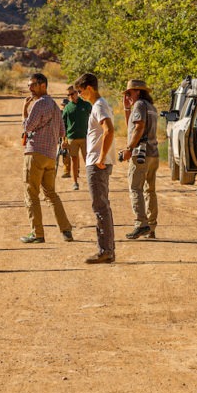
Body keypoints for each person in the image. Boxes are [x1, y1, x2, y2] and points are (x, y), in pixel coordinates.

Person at [19, 72, 73, 244]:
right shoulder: (55, 106)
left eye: (33, 84)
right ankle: (66, 230)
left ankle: (37, 233)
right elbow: (62, 132)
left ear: (43, 85)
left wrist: (24, 111)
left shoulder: (39, 104)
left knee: (31, 193)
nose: (30, 88)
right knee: (51, 194)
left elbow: (27, 127)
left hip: (35, 153)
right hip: (50, 155)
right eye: (29, 85)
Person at [76, 73, 117, 264]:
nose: (80, 94)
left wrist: (100, 158)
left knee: (100, 207)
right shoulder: (101, 105)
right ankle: (107, 250)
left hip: (97, 163)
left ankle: (105, 250)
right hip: (97, 161)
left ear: (89, 88)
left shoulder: (99, 105)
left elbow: (109, 129)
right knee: (102, 207)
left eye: (80, 90)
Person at [120, 79, 160, 240]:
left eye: (129, 93)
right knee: (149, 190)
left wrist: (129, 148)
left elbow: (138, 126)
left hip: (140, 153)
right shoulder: (150, 107)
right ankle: (151, 226)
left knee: (135, 188)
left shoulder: (140, 105)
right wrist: (126, 108)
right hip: (153, 153)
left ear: (138, 91)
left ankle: (140, 224)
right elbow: (131, 125)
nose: (128, 95)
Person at [60, 84, 90, 190]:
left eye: (72, 93)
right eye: (69, 95)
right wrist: (63, 139)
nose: (71, 96)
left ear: (77, 93)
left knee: (88, 160)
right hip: (72, 138)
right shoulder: (67, 108)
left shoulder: (86, 105)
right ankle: (75, 182)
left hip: (85, 137)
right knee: (74, 160)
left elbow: (94, 119)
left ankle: (91, 182)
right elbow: (63, 124)